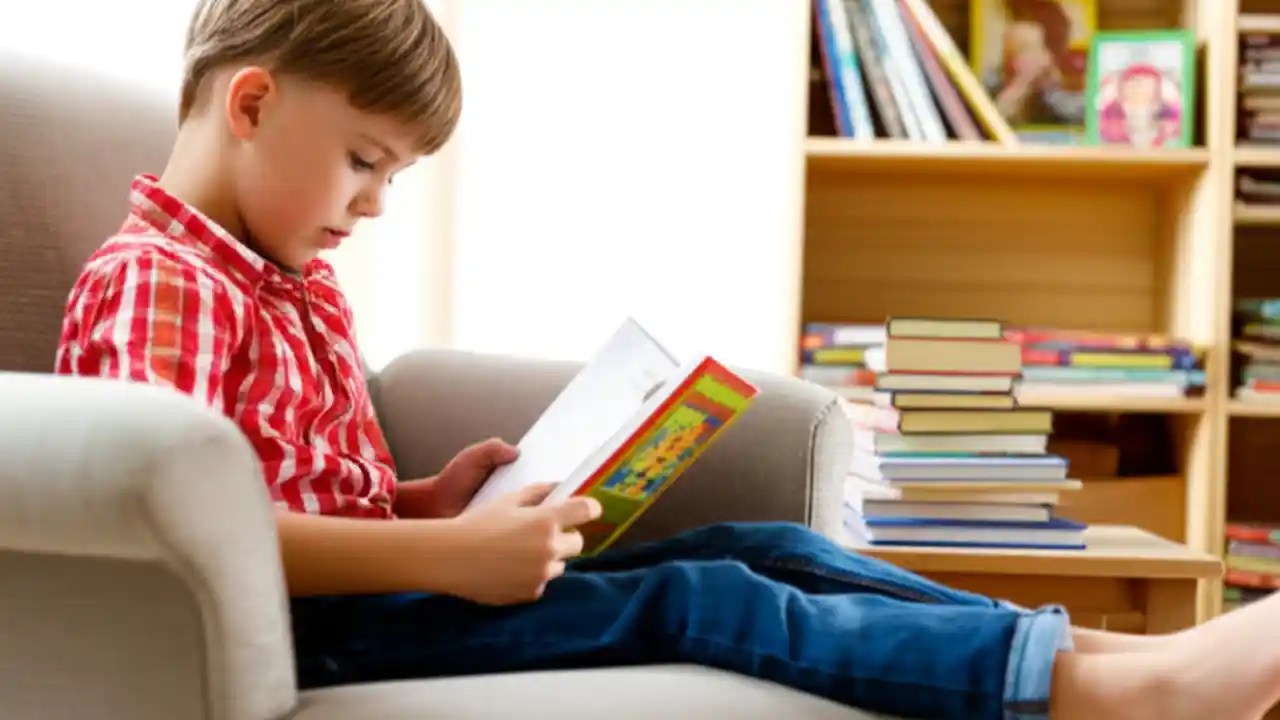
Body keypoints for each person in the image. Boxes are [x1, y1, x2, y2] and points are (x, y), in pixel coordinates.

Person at [53, 1, 1280, 718]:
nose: (374, 200)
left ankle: (1093, 655)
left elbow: (287, 485)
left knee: (776, 548)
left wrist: (423, 501)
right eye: (366, 159)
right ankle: (1117, 696)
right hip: (316, 635)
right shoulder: (159, 281)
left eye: (396, 176)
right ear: (254, 104)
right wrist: (444, 551)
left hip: (382, 584)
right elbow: (193, 532)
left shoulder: (288, 275)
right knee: (707, 598)